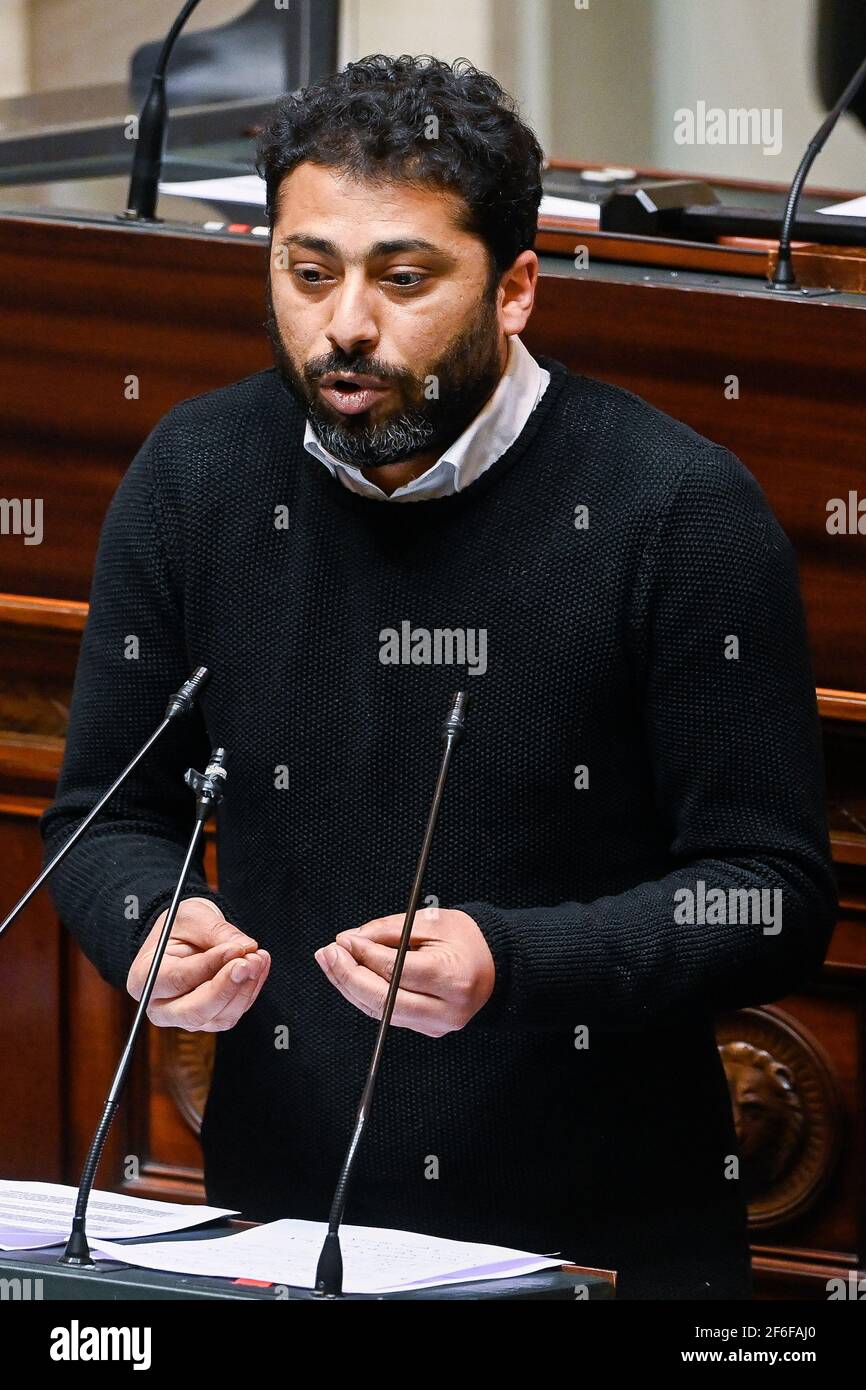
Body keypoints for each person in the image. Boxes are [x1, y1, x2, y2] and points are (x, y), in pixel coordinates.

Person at [41, 54, 837, 1299]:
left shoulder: (676, 510)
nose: (344, 324)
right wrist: (149, 925)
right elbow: (101, 820)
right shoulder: (195, 478)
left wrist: (516, 963)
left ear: (515, 288)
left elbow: (771, 892)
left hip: (599, 1243)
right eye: (308, 274)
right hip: (280, 1228)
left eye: (401, 278)